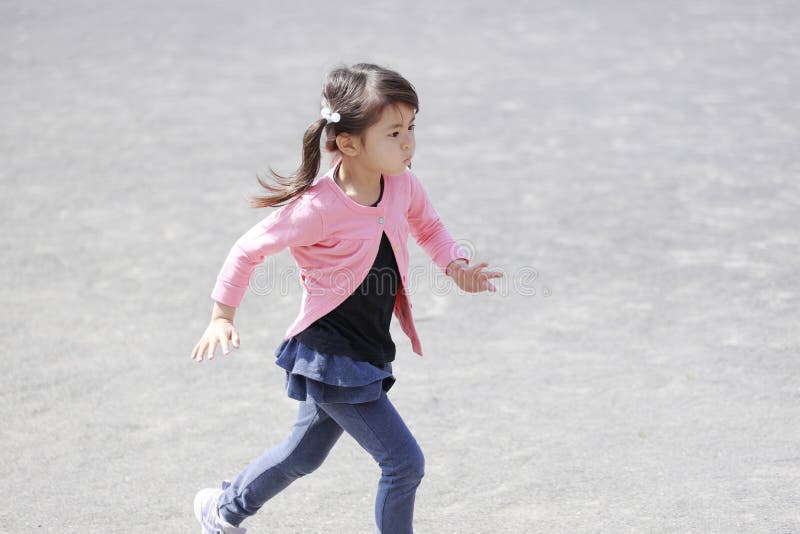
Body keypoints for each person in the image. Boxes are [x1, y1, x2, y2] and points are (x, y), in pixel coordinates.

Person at [190, 62, 503, 534]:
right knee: (403, 464)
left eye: (411, 127)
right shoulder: (317, 208)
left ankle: (223, 510)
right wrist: (221, 315)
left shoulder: (401, 184)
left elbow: (430, 227)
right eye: (394, 132)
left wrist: (456, 267)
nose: (409, 143)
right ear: (349, 143)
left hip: (364, 347)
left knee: (302, 455)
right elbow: (247, 249)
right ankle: (225, 510)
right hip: (331, 355)